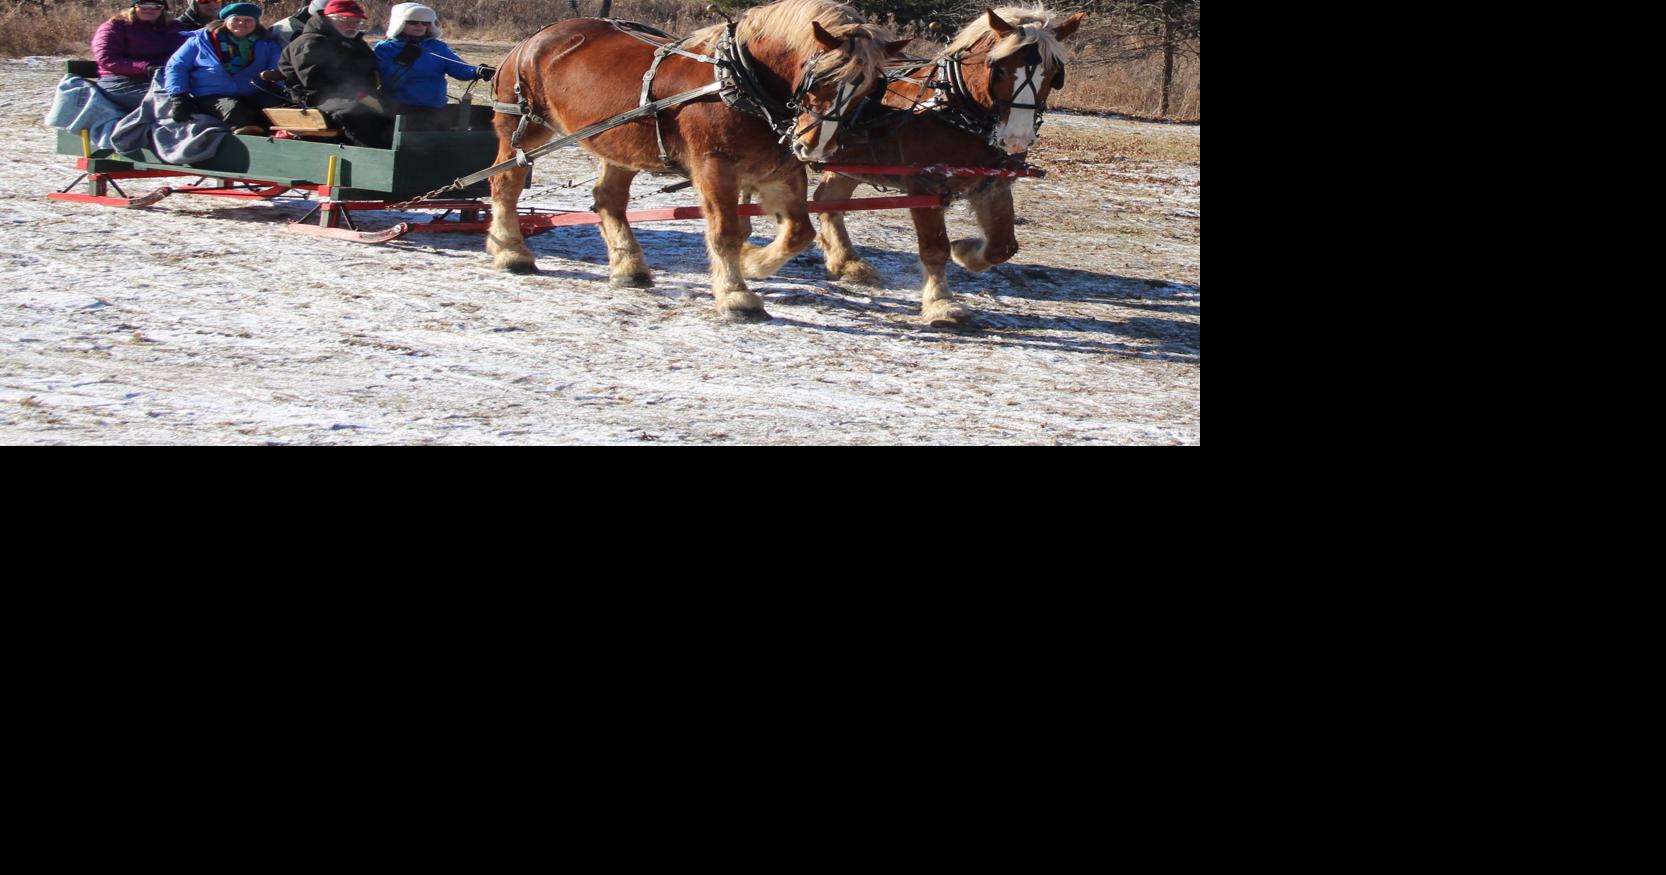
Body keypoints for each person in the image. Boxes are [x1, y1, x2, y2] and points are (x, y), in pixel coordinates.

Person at [277, 0, 391, 147]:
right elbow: (314, 80)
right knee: (356, 112)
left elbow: (371, 70)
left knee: (396, 109)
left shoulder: (355, 42)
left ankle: (405, 156)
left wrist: (372, 94)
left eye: (356, 21)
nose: (352, 25)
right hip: (316, 97)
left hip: (358, 95)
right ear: (329, 19)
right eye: (346, 20)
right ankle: (370, 155)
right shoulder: (310, 42)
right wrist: (358, 94)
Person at [162, 3, 284, 135]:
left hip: (252, 91)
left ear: (256, 23)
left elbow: (276, 67)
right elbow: (177, 66)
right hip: (211, 93)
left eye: (248, 20)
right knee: (234, 110)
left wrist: (277, 86)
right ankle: (250, 144)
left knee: (275, 109)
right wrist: (179, 96)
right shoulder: (201, 40)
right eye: (236, 19)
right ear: (225, 21)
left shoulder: (266, 43)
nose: (241, 23)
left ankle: (285, 141)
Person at [372, 3, 493, 130]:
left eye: (425, 23)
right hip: (401, 110)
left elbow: (459, 68)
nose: (420, 26)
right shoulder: (385, 48)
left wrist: (477, 71)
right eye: (413, 22)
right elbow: (387, 79)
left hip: (435, 109)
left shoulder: (437, 47)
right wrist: (404, 60)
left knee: (488, 117)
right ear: (400, 23)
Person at [91, 0, 190, 112]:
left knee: (196, 98)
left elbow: (186, 54)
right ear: (134, 7)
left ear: (163, 9)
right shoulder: (115, 26)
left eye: (156, 6)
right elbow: (107, 59)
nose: (149, 10)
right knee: (165, 103)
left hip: (166, 78)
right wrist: (146, 67)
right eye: (143, 6)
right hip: (121, 81)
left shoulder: (175, 28)